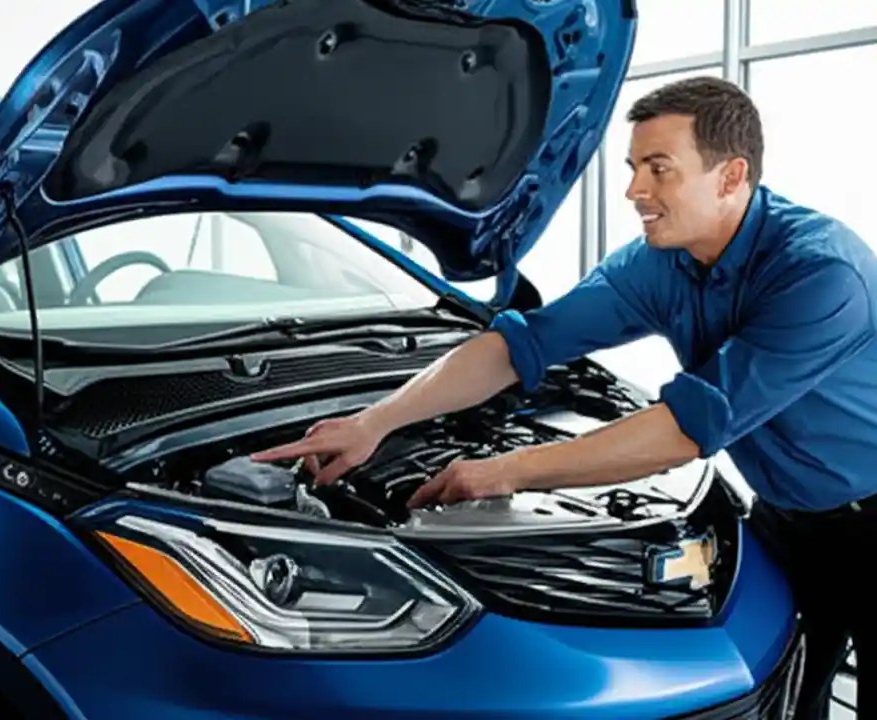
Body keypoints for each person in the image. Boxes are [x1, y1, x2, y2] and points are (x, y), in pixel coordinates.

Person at [251, 76, 875, 718]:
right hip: (786, 516)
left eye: (659, 169)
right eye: (633, 168)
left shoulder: (821, 275)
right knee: (794, 694)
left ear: (730, 176)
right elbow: (522, 345)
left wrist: (506, 471)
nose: (634, 190)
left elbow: (683, 431)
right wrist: (374, 422)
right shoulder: (661, 263)